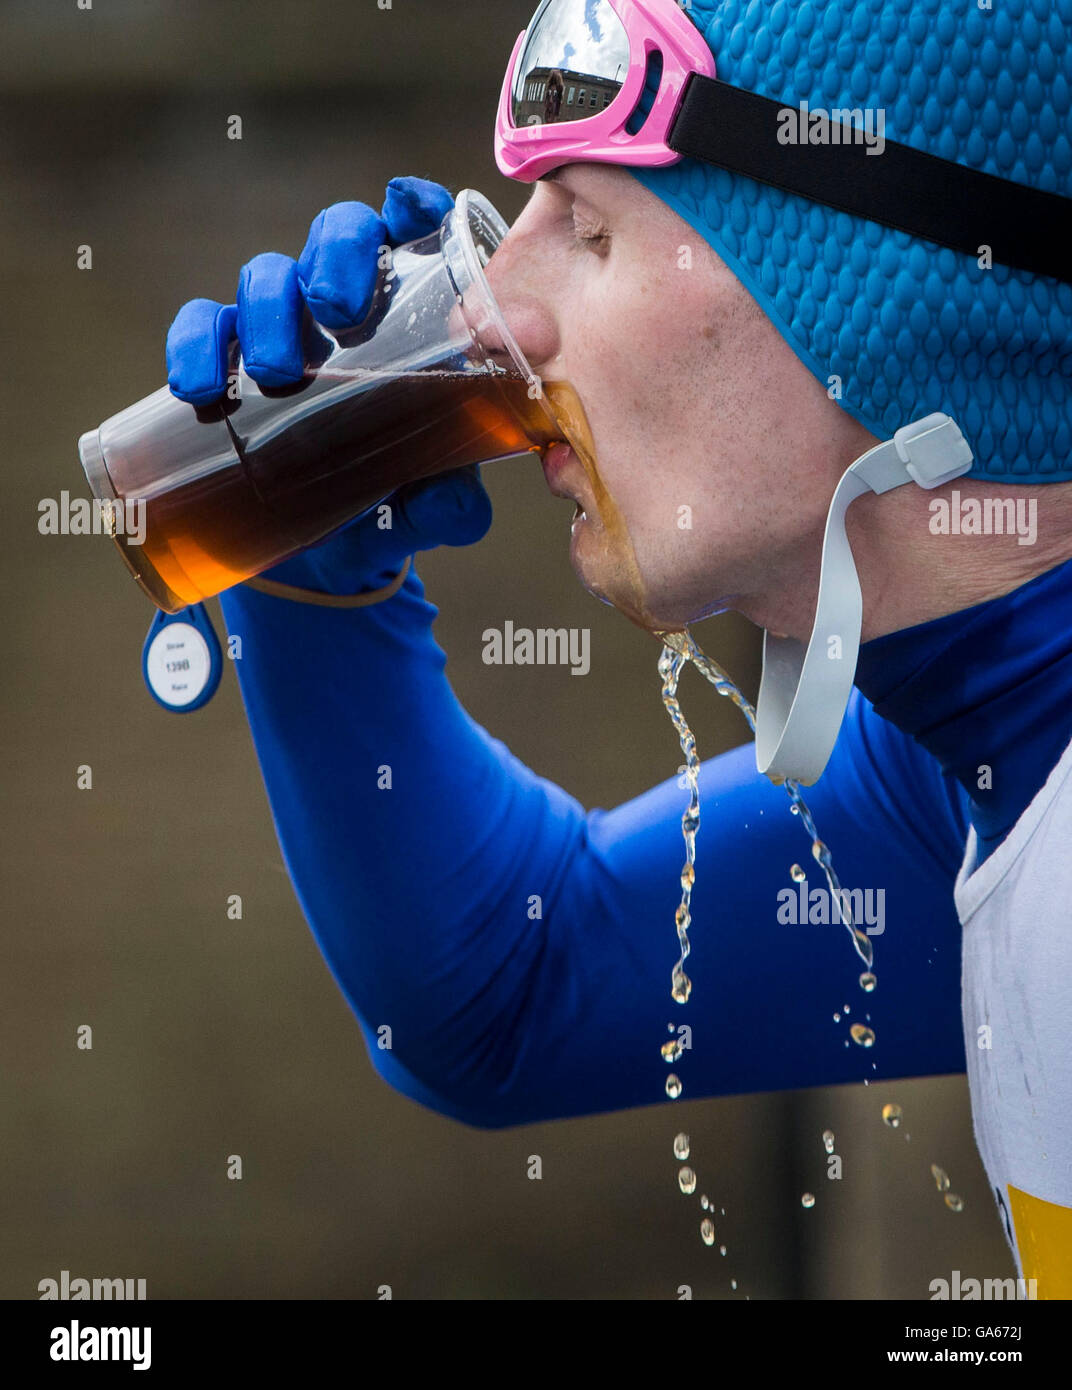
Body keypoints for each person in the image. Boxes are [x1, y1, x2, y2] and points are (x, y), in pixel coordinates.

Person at [165, 0, 1072, 1294]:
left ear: (878, 296)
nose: (497, 318)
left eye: (586, 231)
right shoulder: (964, 771)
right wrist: (310, 595)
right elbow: (512, 992)